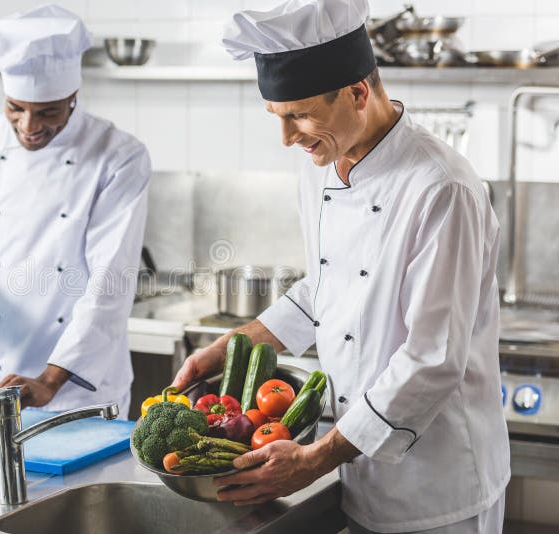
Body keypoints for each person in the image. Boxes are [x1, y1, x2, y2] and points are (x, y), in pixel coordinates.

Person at [172, 1, 509, 532]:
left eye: (300, 115)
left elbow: (433, 357)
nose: (288, 138)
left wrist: (317, 458)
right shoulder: (324, 162)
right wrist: (240, 343)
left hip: (438, 489)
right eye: (277, 117)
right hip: (359, 474)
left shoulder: (442, 188)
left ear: (357, 92)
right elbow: (327, 286)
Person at [0, 5, 150, 416]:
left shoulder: (118, 156)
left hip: (81, 392)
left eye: (48, 112)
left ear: (73, 98)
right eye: (15, 108)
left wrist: (50, 380)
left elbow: (110, 281)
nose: (28, 126)